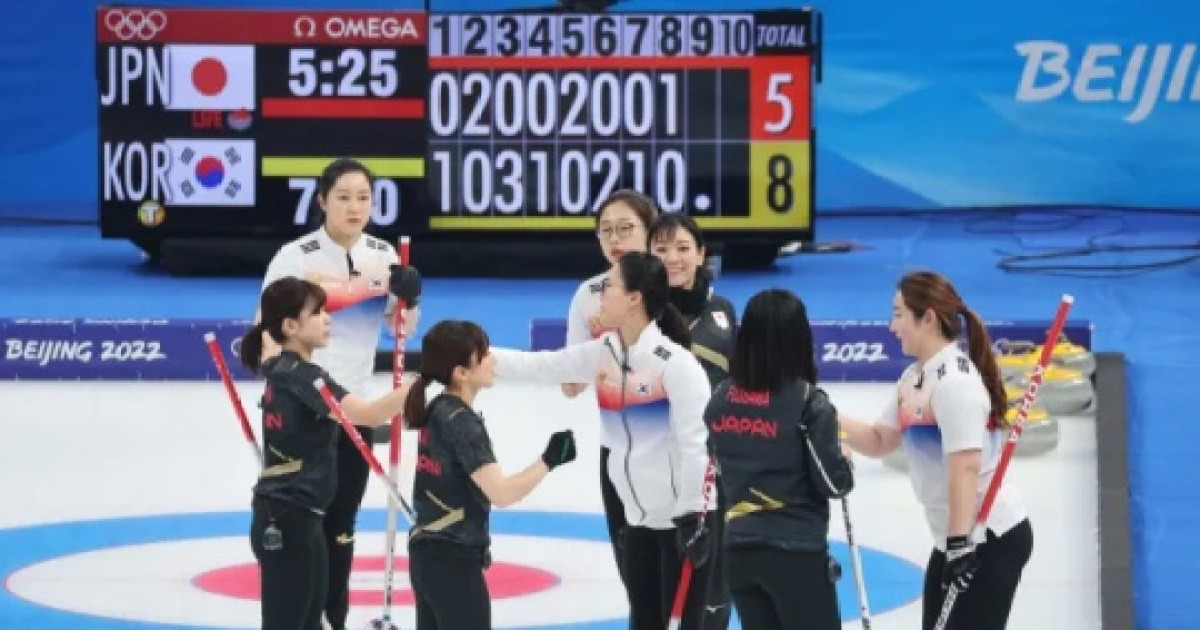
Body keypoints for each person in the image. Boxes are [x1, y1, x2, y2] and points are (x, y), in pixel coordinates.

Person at [494, 252, 716, 630]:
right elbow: (539, 366)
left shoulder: (676, 366)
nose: (600, 291)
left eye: (610, 284)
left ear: (634, 298)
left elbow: (697, 446)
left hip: (680, 526)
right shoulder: (604, 354)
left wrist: (692, 515)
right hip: (637, 519)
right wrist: (470, 351)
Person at [257, 157, 421, 630]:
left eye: (363, 197)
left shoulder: (383, 254)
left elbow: (402, 328)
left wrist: (411, 295)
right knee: (302, 523)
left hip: (356, 406)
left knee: (342, 523)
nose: (354, 206)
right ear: (322, 200)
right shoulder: (296, 256)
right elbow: (264, 331)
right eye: (343, 196)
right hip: (302, 406)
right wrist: (287, 376)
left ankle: (335, 617)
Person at [838, 271, 1034, 630]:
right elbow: (880, 441)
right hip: (954, 537)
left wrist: (960, 545)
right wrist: (823, 413)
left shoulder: (955, 383)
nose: (892, 325)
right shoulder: (915, 378)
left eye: (898, 314)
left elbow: (965, 468)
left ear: (927, 317)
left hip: (987, 537)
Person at [238, 277, 414, 630]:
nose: (328, 318)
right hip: (287, 518)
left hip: (303, 516)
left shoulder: (281, 367)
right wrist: (419, 385)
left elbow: (269, 343)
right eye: (317, 313)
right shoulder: (305, 377)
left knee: (310, 622)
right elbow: (368, 415)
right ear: (290, 326)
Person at [404, 320, 577, 630]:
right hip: (453, 562)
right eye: (483, 354)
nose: (493, 359)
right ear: (461, 372)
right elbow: (502, 493)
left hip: (428, 559)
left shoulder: (436, 409)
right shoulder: (461, 422)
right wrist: (549, 460)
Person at [703, 289, 854, 630]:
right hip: (794, 550)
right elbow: (832, 483)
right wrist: (844, 460)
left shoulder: (722, 396)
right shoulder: (807, 402)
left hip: (737, 549)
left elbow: (713, 461)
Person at [562, 189, 658, 586]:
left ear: (650, 232)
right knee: (635, 572)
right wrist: (598, 347)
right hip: (617, 446)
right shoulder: (589, 295)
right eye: (606, 231)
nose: (615, 240)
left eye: (625, 229)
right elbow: (570, 385)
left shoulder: (671, 283)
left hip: (674, 447)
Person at [649, 212, 737, 629]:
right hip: (655, 471)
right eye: (661, 249)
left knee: (714, 588)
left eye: (683, 248)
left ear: (701, 255)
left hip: (715, 473)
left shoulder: (723, 313)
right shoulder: (638, 316)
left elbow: (743, 386)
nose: (673, 259)